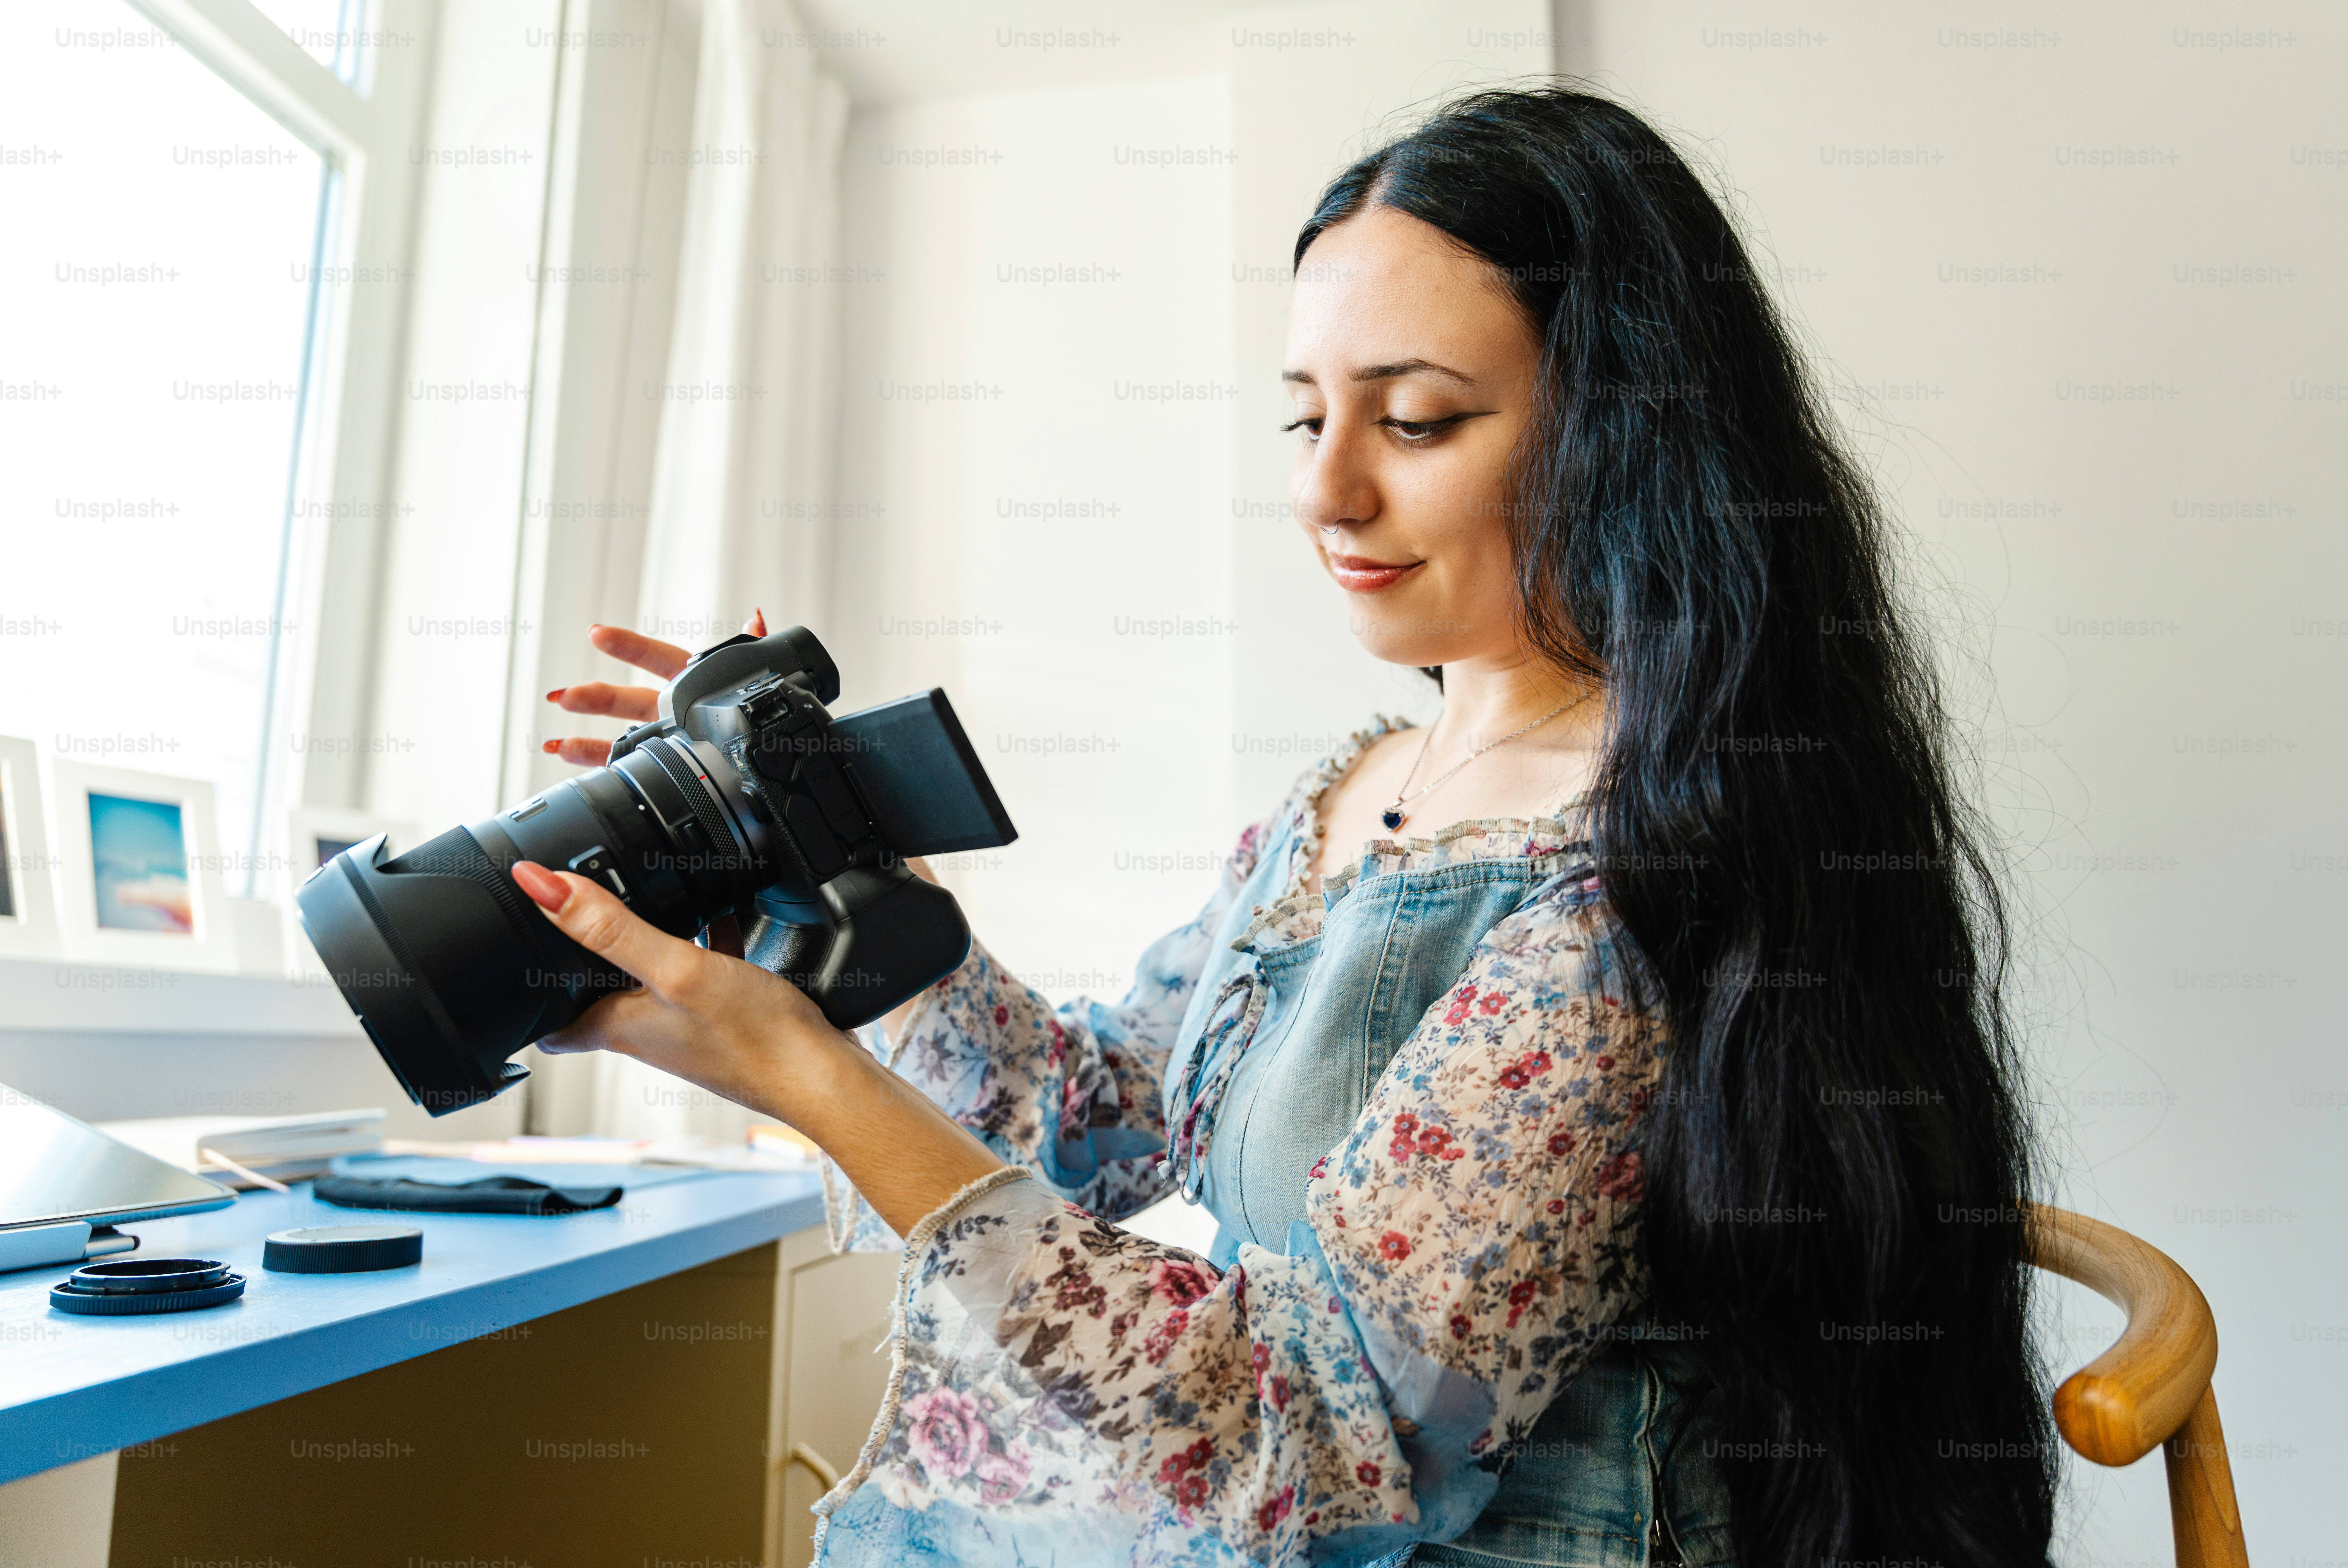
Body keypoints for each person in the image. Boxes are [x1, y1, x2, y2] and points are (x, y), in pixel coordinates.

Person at [521, 87, 2056, 1568]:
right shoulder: (1362, 788)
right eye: (1307, 415)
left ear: (1631, 434)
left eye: (1420, 419)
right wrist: (842, 864)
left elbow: (1315, 1432)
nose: (1328, 488)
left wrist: (799, 1069)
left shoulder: (1650, 871)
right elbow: (1104, 1116)